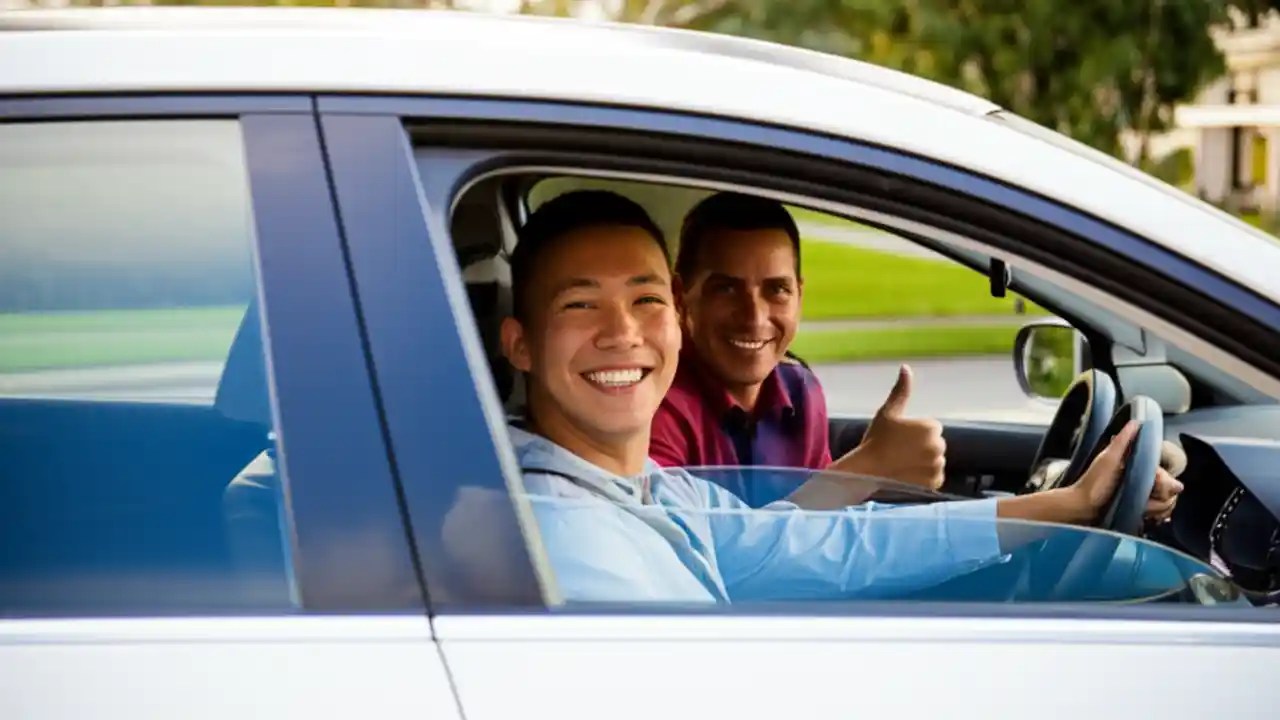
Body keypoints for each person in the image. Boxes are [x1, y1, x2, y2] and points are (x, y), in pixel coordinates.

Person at [496, 189, 1182, 603]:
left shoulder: (655, 492)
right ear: (519, 344)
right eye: (581, 305)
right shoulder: (564, 539)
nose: (623, 333)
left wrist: (1065, 506)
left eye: (644, 300)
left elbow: (831, 543)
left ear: (673, 314)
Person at [651, 192, 948, 492]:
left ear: (799, 296)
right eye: (726, 289)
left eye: (777, 289)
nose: (755, 318)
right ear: (679, 297)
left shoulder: (801, 390)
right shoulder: (653, 404)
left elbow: (819, 531)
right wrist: (865, 470)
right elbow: (686, 535)